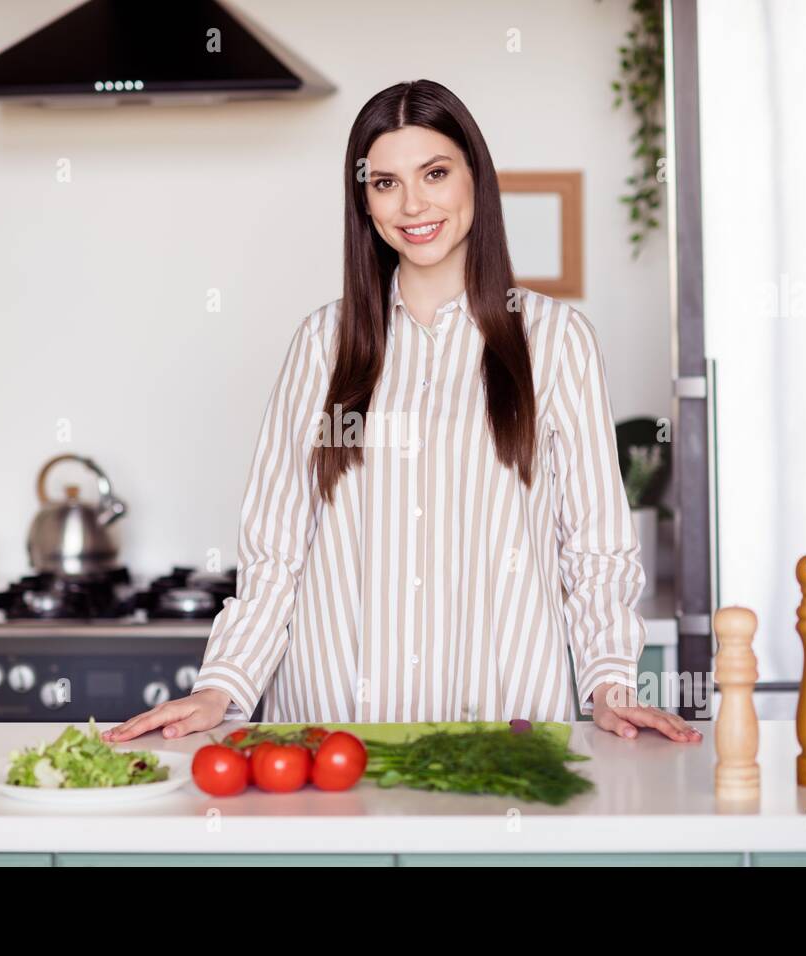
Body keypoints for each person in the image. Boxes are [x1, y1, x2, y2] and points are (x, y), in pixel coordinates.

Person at [106, 79, 700, 745]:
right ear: (364, 199)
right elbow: (276, 553)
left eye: (435, 173)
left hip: (504, 732)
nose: (413, 203)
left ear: (475, 176)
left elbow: (593, 548)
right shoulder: (321, 345)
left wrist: (610, 683)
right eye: (385, 183)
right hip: (334, 736)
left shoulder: (556, 342)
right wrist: (222, 686)